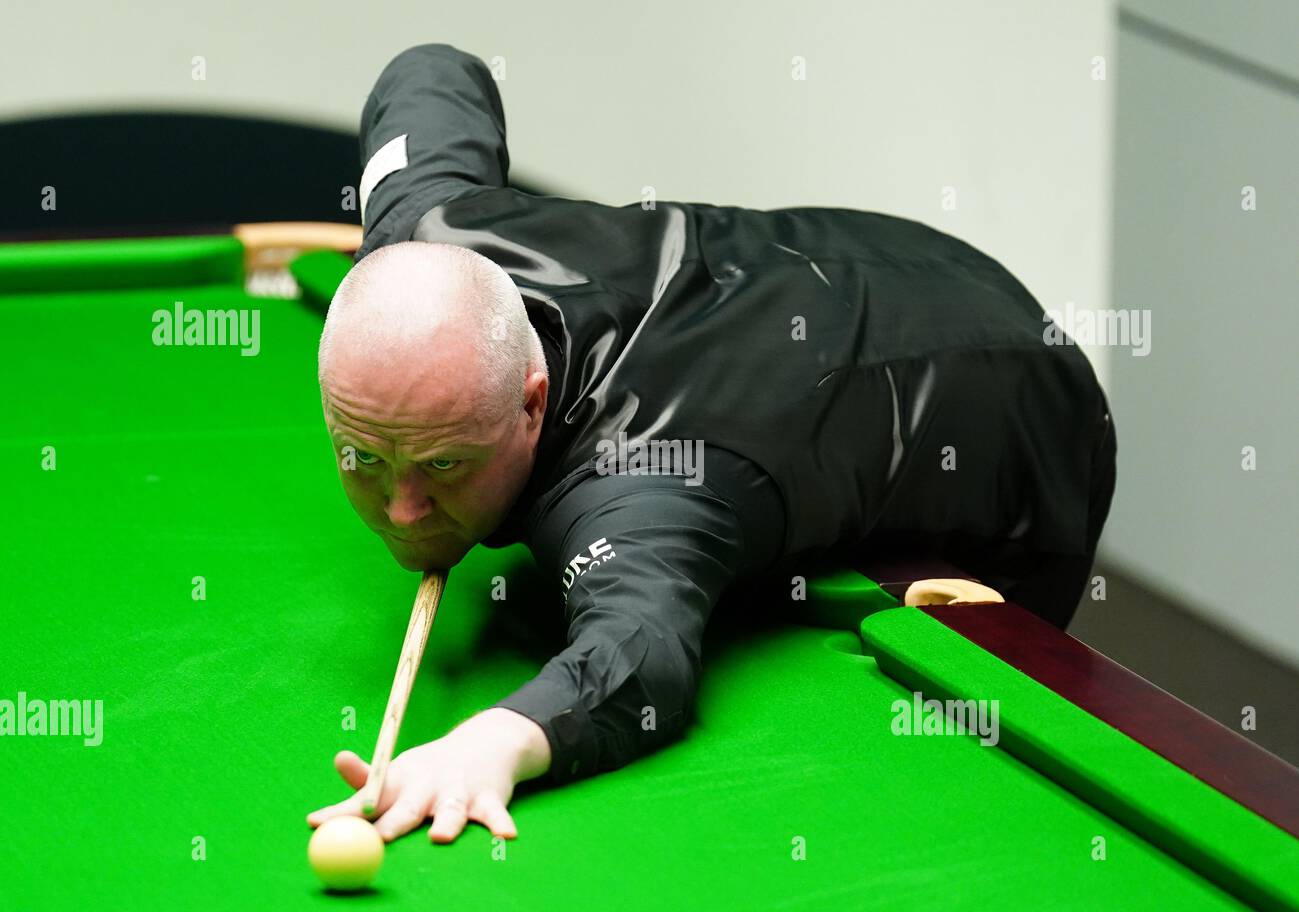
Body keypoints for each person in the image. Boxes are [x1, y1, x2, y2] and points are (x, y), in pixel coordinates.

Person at [307, 43, 1117, 844]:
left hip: (1014, 405)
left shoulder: (643, 470)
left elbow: (642, 653)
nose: (404, 510)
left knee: (982, 767)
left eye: (444, 463)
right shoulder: (425, 227)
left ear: (530, 405)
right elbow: (431, 71)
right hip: (831, 274)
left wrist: (496, 740)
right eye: (365, 459)